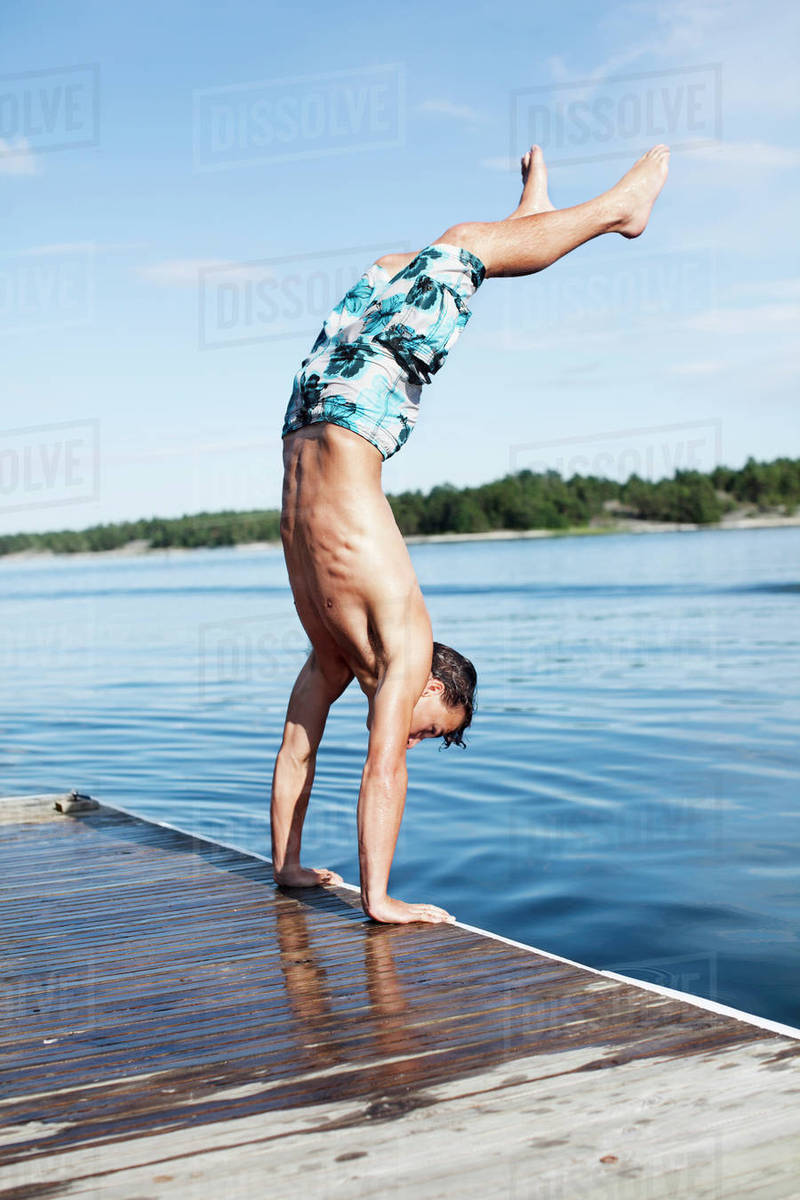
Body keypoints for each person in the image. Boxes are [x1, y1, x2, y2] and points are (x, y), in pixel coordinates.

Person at [271, 144, 670, 925]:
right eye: (433, 725)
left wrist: (288, 867)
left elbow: (298, 750)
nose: (413, 738)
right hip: (350, 409)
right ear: (431, 688)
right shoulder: (406, 647)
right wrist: (379, 899)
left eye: (427, 736)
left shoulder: (332, 653)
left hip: (315, 408)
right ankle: (616, 213)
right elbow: (381, 766)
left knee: (405, 260)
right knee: (461, 245)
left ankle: (532, 220)